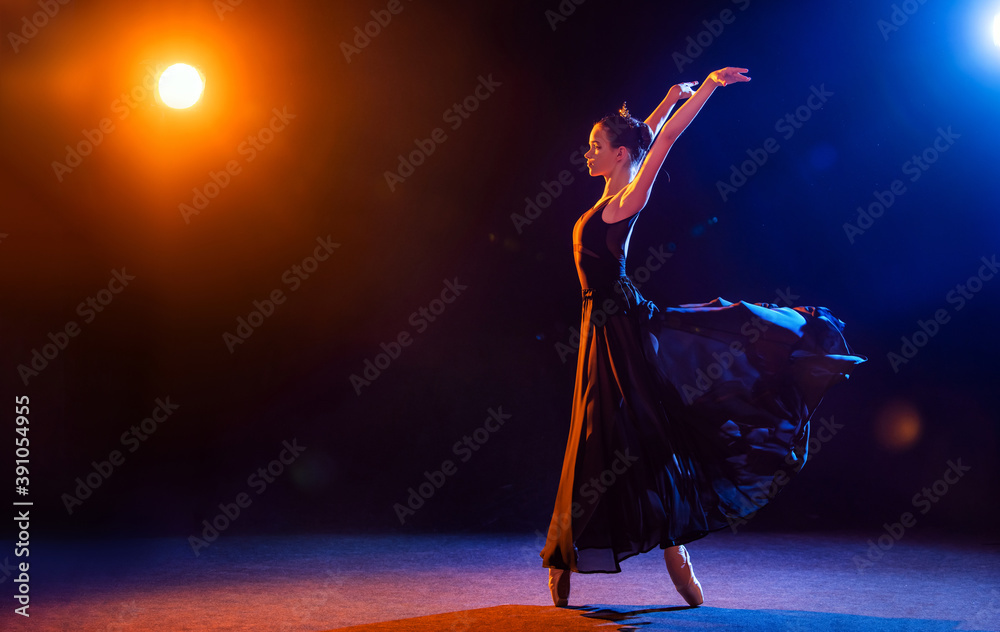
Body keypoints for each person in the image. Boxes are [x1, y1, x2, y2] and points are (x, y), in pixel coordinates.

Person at [539, 67, 865, 608]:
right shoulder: (609, 191)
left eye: (596, 146)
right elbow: (645, 133)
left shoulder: (626, 201)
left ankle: (674, 552)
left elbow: (661, 140)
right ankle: (566, 554)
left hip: (621, 330)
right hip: (601, 327)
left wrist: (708, 87)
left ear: (618, 156)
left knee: (639, 434)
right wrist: (668, 95)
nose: (588, 152)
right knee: (595, 437)